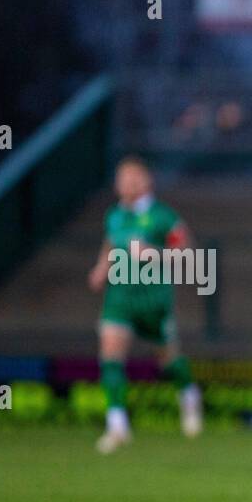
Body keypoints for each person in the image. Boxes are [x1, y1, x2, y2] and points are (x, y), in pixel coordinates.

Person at [87, 157, 202, 454]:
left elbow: (188, 255)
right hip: (120, 298)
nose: (125, 184)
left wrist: (156, 253)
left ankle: (189, 395)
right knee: (110, 354)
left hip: (153, 300)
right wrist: (101, 269)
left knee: (168, 360)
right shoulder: (114, 216)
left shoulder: (163, 217)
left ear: (146, 181)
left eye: (132, 178)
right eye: (121, 179)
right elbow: (110, 246)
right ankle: (117, 426)